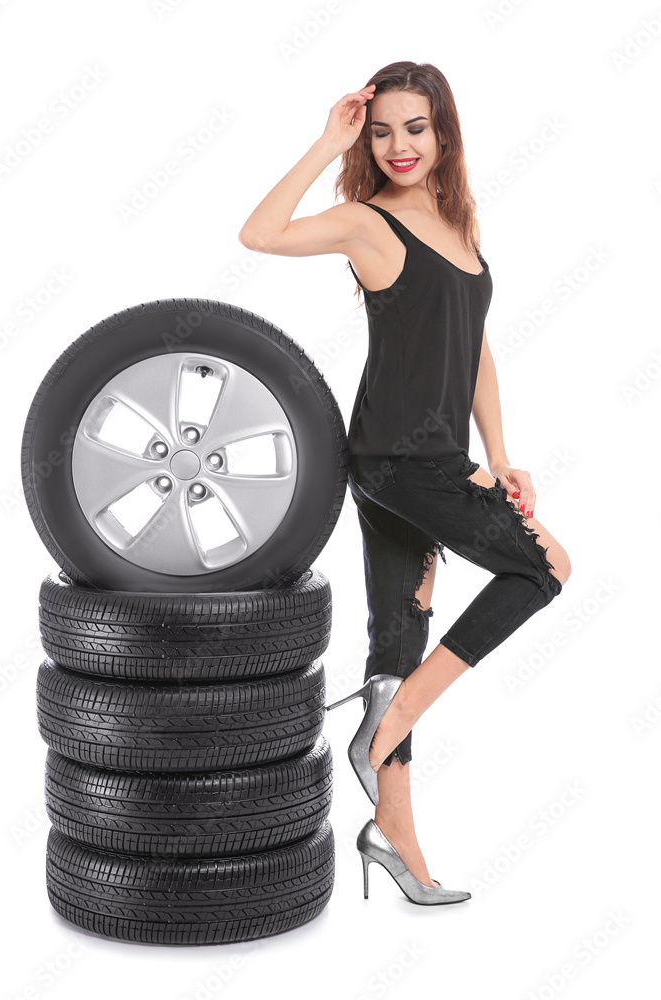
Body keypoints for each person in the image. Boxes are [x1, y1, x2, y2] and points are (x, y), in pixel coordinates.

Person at [239, 61, 572, 905]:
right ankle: (387, 725)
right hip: (400, 459)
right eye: (381, 130)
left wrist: (501, 455)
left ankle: (397, 842)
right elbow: (261, 234)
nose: (397, 146)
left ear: (442, 131)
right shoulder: (368, 223)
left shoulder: (456, 223)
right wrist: (328, 141)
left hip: (431, 457)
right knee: (545, 568)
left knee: (397, 642)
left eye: (413, 128)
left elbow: (477, 349)